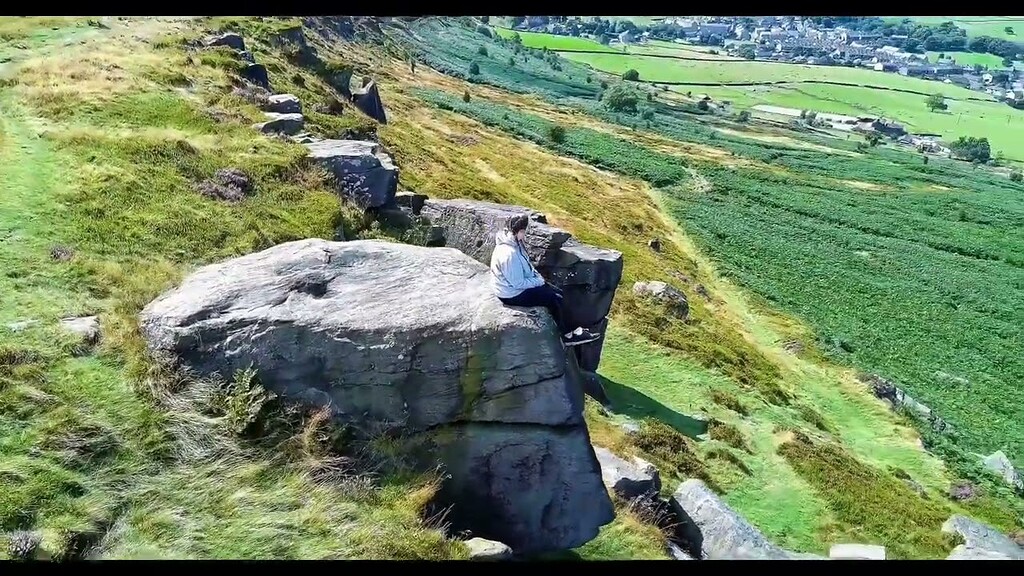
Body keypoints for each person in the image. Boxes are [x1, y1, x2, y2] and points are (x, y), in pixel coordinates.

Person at [490, 214, 601, 347]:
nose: (525, 235)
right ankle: (568, 335)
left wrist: (537, 278)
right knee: (555, 299)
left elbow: (525, 268)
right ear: (519, 231)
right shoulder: (509, 254)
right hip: (512, 294)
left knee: (558, 293)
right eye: (524, 231)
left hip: (515, 287)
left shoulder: (514, 243)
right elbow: (517, 283)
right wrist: (538, 281)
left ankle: (575, 330)